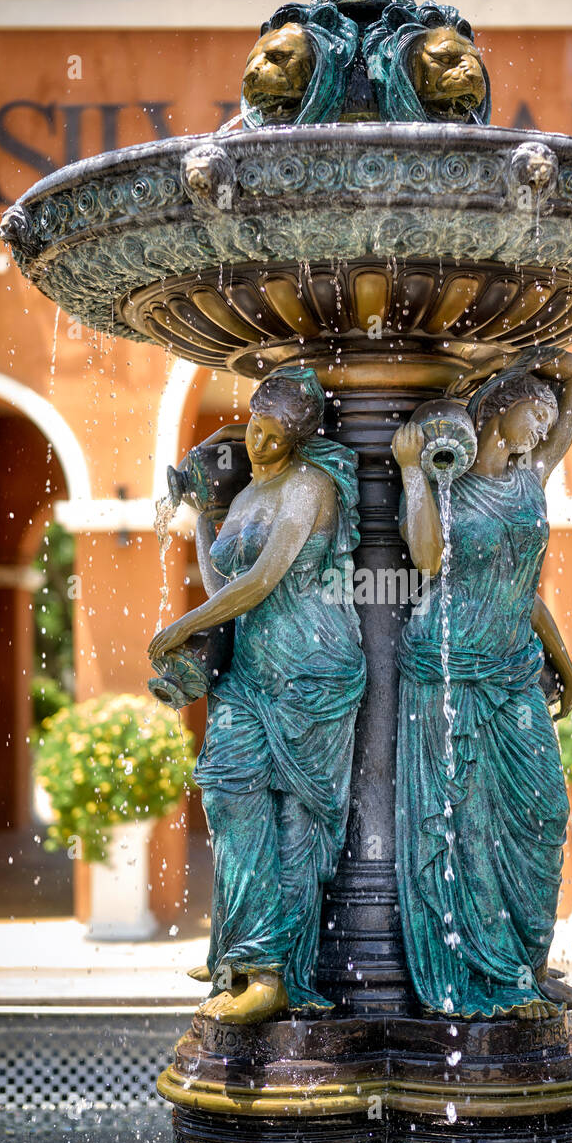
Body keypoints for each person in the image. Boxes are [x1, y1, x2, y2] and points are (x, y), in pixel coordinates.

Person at [149, 366, 365, 1022]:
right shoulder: (247, 494)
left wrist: (182, 626)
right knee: (228, 787)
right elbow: (224, 582)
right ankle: (241, 946)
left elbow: (267, 579)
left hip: (312, 668)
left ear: (300, 439)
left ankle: (273, 975)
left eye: (277, 437)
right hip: (251, 668)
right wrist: (204, 510)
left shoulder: (310, 486)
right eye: (256, 430)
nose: (261, 445)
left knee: (296, 819)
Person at [391, 352, 572, 1019]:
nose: (542, 428)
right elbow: (424, 560)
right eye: (531, 413)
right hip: (446, 667)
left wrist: (561, 660)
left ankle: (532, 966)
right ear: (498, 408)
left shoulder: (531, 478)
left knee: (543, 814)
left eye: (544, 416)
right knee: (461, 825)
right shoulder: (442, 484)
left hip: (512, 668)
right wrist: (411, 474)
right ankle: (496, 974)